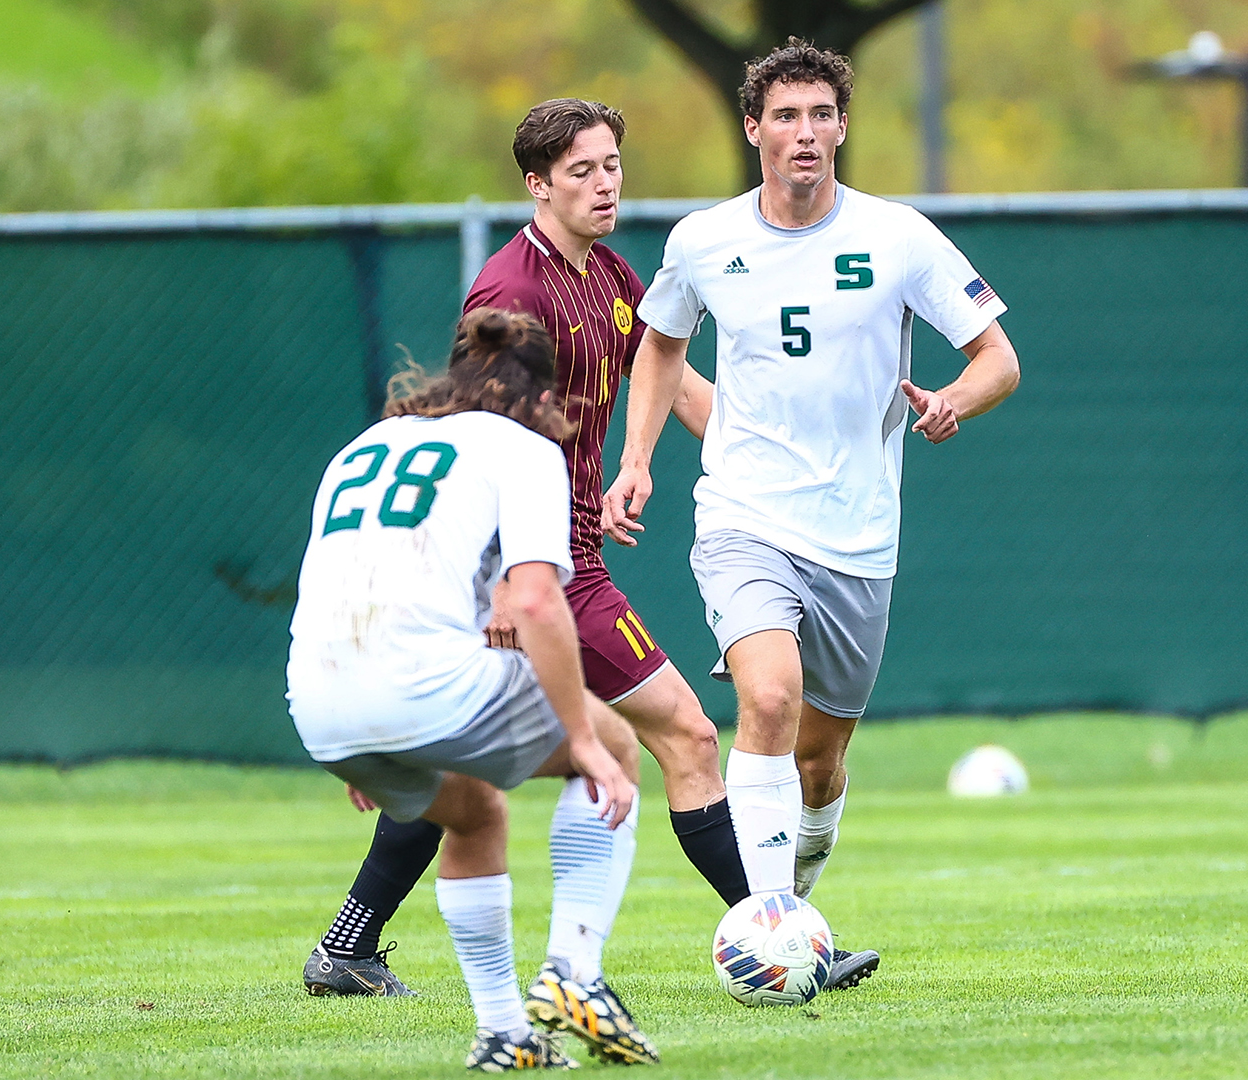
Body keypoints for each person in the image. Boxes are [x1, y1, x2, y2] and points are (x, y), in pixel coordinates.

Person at [302, 98, 886, 1008]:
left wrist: (755, 467)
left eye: (613, 164)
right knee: (689, 733)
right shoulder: (511, 292)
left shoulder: (611, 271)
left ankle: (346, 947)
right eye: (582, 171)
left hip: (571, 551)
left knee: (469, 767)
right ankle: (781, 938)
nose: (606, 183)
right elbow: (473, 434)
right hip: (528, 569)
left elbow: (675, 378)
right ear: (537, 185)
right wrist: (498, 582)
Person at [603, 39, 1021, 935]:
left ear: (842, 126)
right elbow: (661, 346)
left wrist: (951, 402)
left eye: (821, 115)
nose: (805, 133)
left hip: (859, 535)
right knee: (767, 699)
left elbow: (999, 359)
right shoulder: (705, 241)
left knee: (821, 762)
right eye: (785, 116)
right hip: (744, 516)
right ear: (753, 128)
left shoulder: (897, 235)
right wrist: (635, 458)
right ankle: (768, 927)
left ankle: (796, 893)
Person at [286, 308, 657, 1069]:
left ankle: (502, 1037)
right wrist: (582, 738)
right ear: (542, 392)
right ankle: (574, 976)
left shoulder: (367, 445)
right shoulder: (521, 448)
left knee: (475, 810)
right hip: (411, 684)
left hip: (318, 704)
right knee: (618, 742)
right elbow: (534, 600)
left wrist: (374, 739)